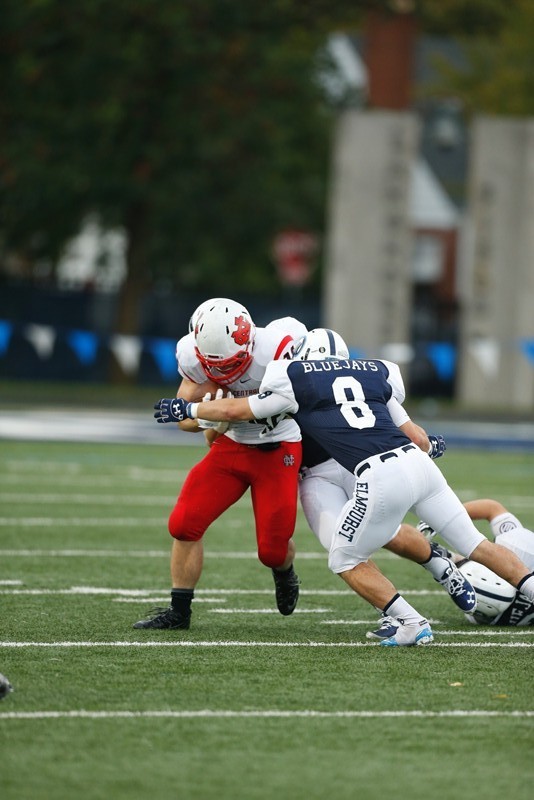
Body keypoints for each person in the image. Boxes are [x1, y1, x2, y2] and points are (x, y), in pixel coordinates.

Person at [157, 327, 534, 647]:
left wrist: (188, 410)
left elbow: (236, 411)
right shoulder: (375, 372)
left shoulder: (293, 377)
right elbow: (416, 435)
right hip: (413, 465)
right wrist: (430, 445)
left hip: (369, 472)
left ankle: (409, 621)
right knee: (475, 544)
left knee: (343, 556)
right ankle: (464, 574)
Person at [134, 298, 307, 630]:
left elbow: (251, 408)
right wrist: (209, 420)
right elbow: (185, 420)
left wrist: (214, 411)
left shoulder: (277, 348)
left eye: (231, 363)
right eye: (215, 366)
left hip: (278, 448)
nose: (224, 372)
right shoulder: (191, 353)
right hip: (233, 444)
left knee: (272, 551)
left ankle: (284, 572)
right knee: (183, 523)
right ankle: (179, 611)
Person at [297, 434, 477, 634]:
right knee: (340, 545)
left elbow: (381, 406)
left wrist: (415, 439)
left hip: (356, 457)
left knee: (389, 533)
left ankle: (440, 566)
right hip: (313, 474)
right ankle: (393, 614)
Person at [416, 499, 534, 626]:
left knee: (480, 580)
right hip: (500, 612)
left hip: (498, 612)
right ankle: (452, 559)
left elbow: (491, 508)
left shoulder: (519, 547)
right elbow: (491, 508)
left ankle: (451, 559)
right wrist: (441, 520)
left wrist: (438, 521)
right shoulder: (519, 546)